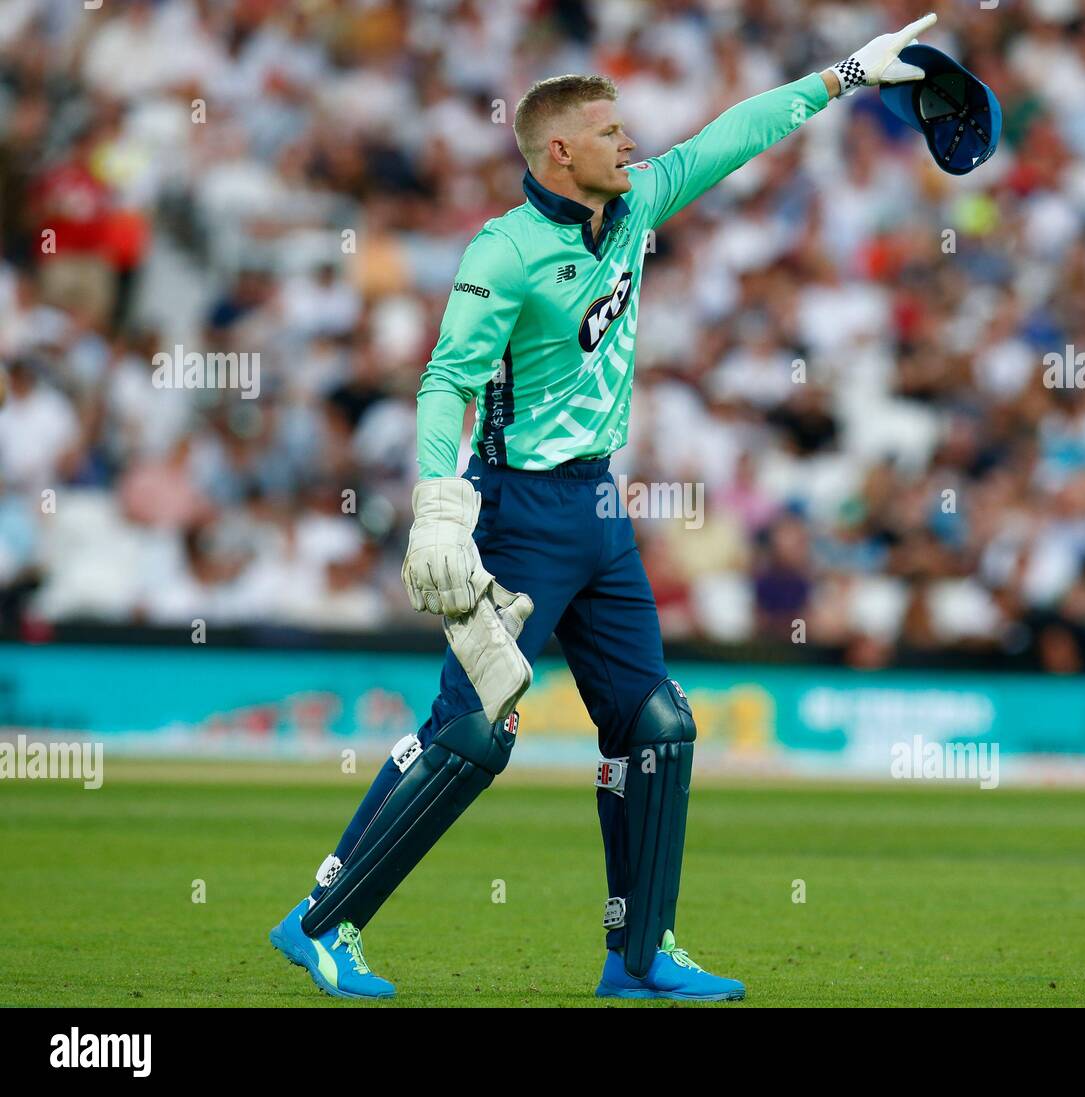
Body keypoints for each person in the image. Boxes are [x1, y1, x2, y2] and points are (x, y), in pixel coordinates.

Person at [270, 13, 940, 1002]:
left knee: (657, 725)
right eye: (611, 131)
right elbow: (445, 379)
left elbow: (731, 135)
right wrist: (435, 502)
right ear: (559, 148)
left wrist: (843, 75)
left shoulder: (633, 208)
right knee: (469, 734)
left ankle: (638, 954)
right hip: (519, 515)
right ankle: (322, 923)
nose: (631, 143)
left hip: (597, 506)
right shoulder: (501, 253)